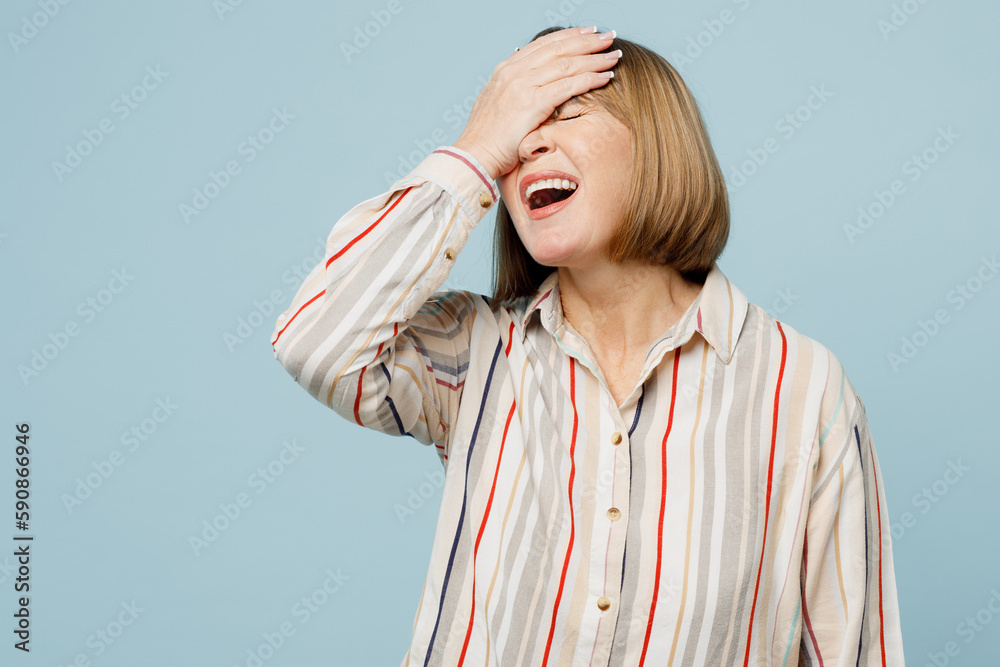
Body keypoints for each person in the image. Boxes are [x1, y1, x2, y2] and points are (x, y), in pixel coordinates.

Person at [271, 25, 904, 666]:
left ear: (657, 145)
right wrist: (475, 151)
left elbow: (854, 652)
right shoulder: (475, 352)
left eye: (565, 113)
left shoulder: (802, 387)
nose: (529, 141)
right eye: (516, 127)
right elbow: (314, 342)